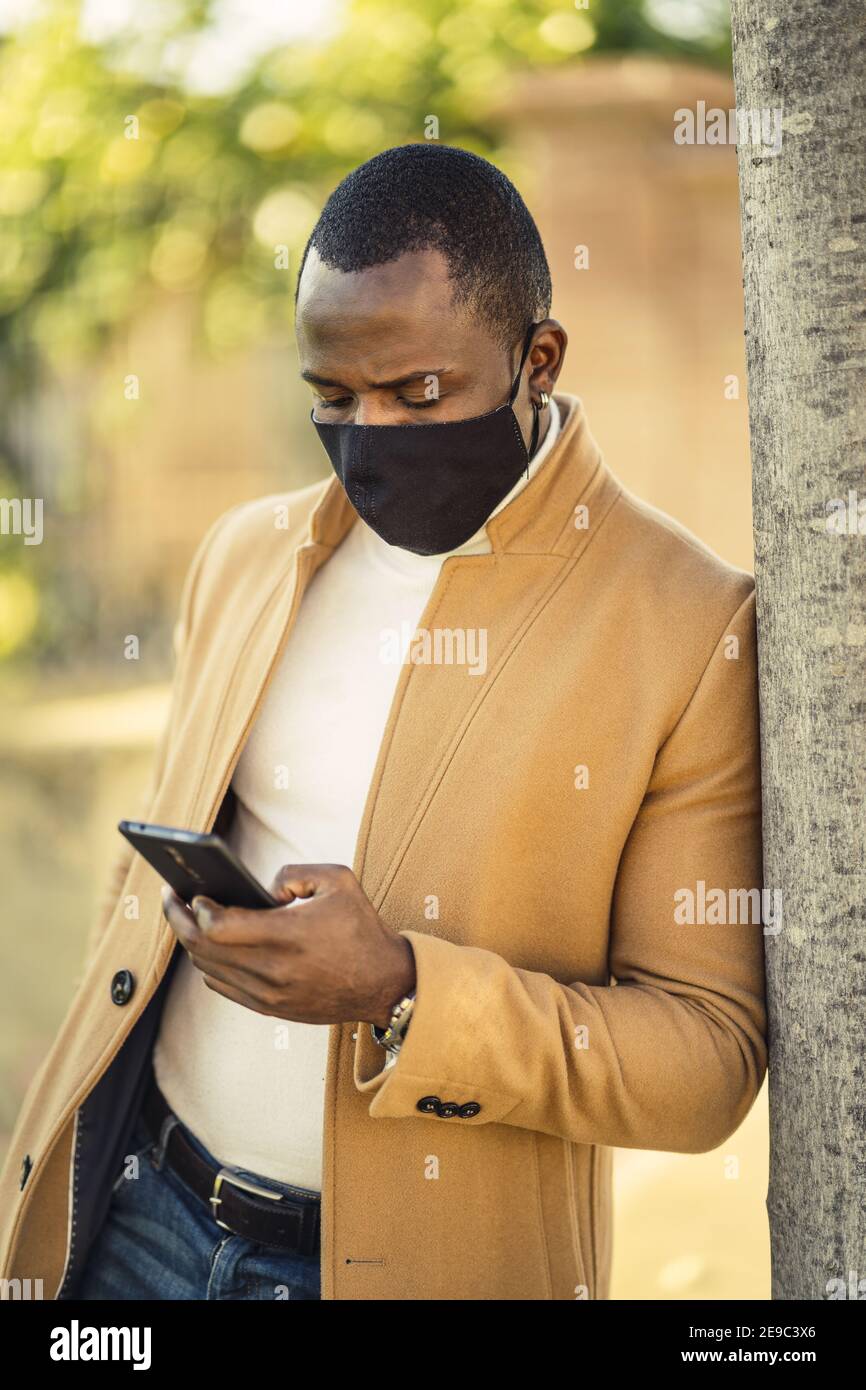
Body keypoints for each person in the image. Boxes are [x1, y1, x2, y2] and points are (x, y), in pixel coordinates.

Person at [0, 143, 767, 1302]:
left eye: (417, 393)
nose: (371, 436)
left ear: (537, 359)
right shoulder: (249, 557)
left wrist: (404, 989)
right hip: (136, 1222)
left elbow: (704, 1062)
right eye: (330, 397)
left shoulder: (685, 625)